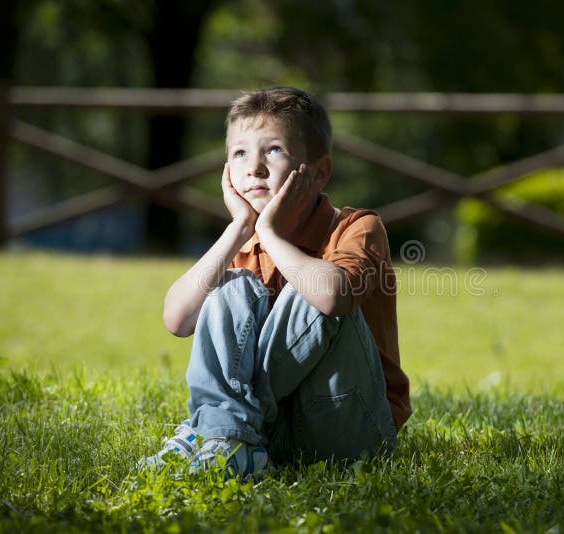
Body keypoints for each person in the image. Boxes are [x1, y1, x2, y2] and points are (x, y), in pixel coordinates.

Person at [139, 87, 411, 478]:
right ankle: (230, 440)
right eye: (239, 153)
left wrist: (270, 234)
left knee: (317, 287)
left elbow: (334, 298)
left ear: (318, 173)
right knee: (231, 286)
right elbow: (177, 320)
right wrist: (239, 229)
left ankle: (212, 428)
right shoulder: (243, 242)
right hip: (269, 432)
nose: (254, 168)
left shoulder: (358, 227)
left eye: (274, 150)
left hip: (349, 426)